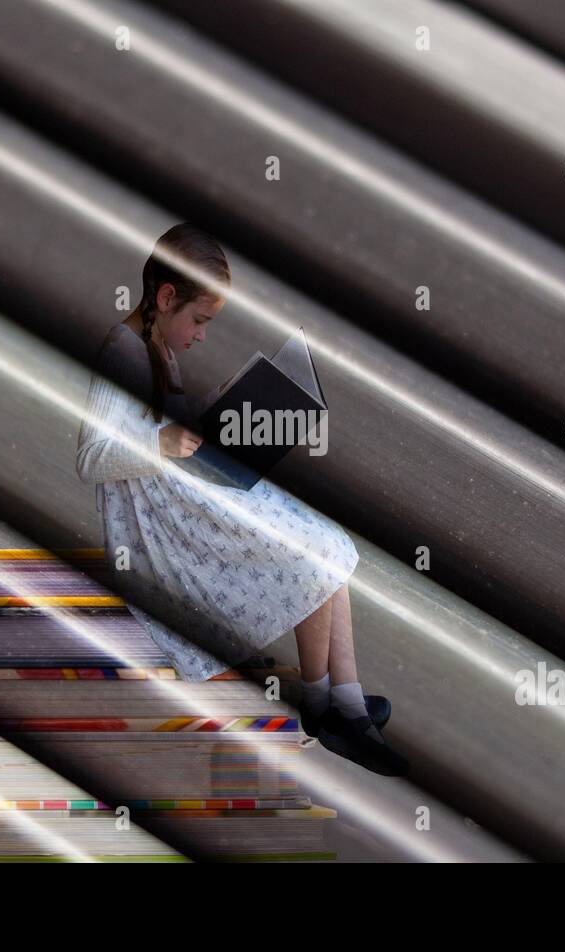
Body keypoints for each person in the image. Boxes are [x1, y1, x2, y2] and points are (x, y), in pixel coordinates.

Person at [75, 223, 408, 777]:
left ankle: (336, 704)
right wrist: (159, 442)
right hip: (166, 529)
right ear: (164, 298)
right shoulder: (122, 351)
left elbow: (163, 423)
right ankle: (331, 709)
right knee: (315, 549)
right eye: (200, 320)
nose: (202, 335)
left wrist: (214, 406)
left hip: (188, 501)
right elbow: (92, 456)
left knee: (321, 539)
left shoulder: (156, 345)